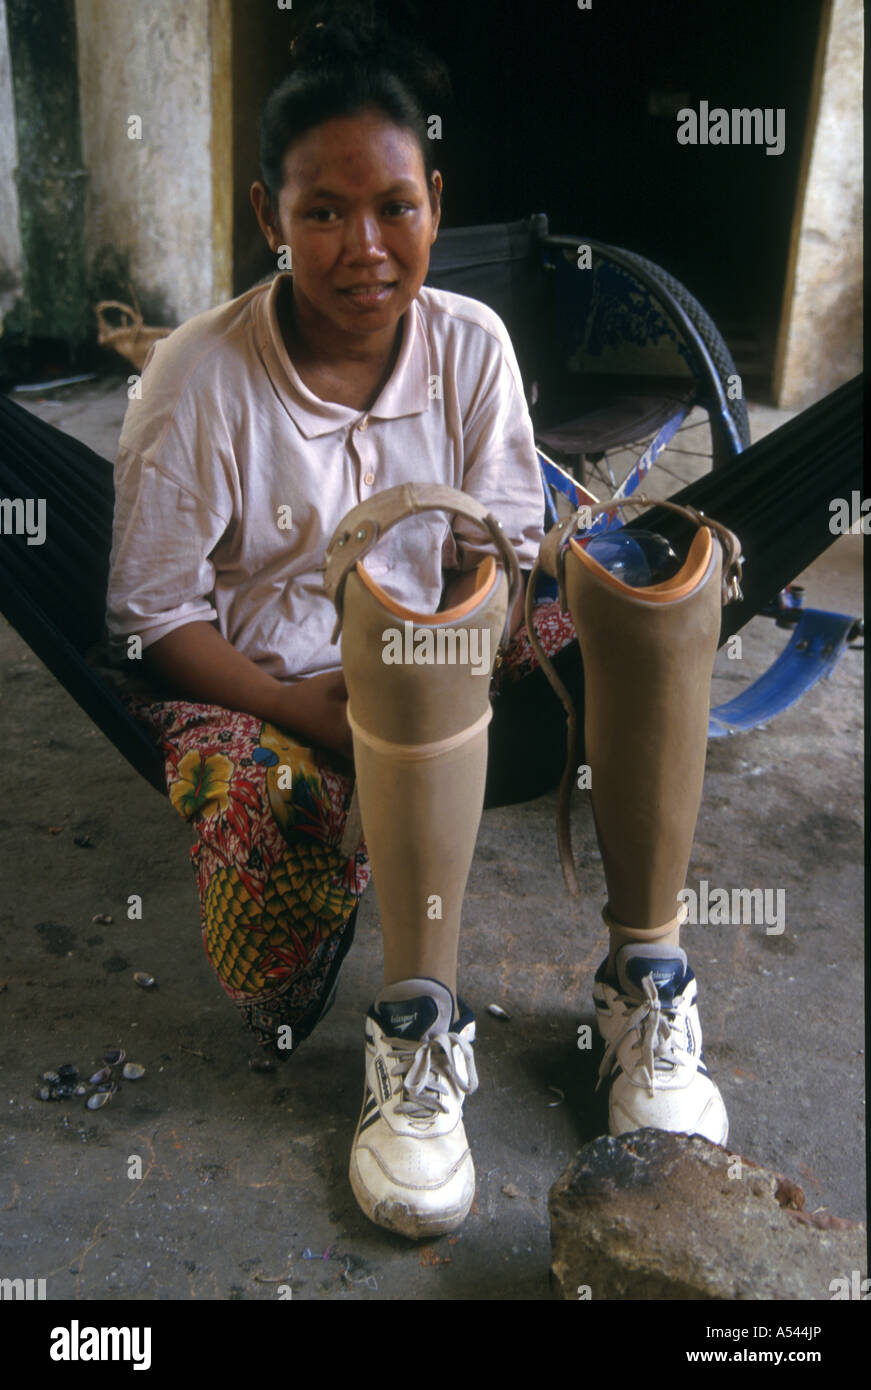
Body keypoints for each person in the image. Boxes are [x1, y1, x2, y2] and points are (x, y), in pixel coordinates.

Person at [106, 5, 734, 1241]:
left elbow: (492, 554)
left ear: (435, 202)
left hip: (451, 660)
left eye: (393, 205)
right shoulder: (198, 376)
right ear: (265, 218)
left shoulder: (471, 345)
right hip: (274, 684)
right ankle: (418, 1018)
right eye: (322, 212)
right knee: (262, 829)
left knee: (654, 604)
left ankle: (643, 979)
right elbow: (145, 622)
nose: (363, 246)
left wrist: (445, 659)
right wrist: (294, 704)